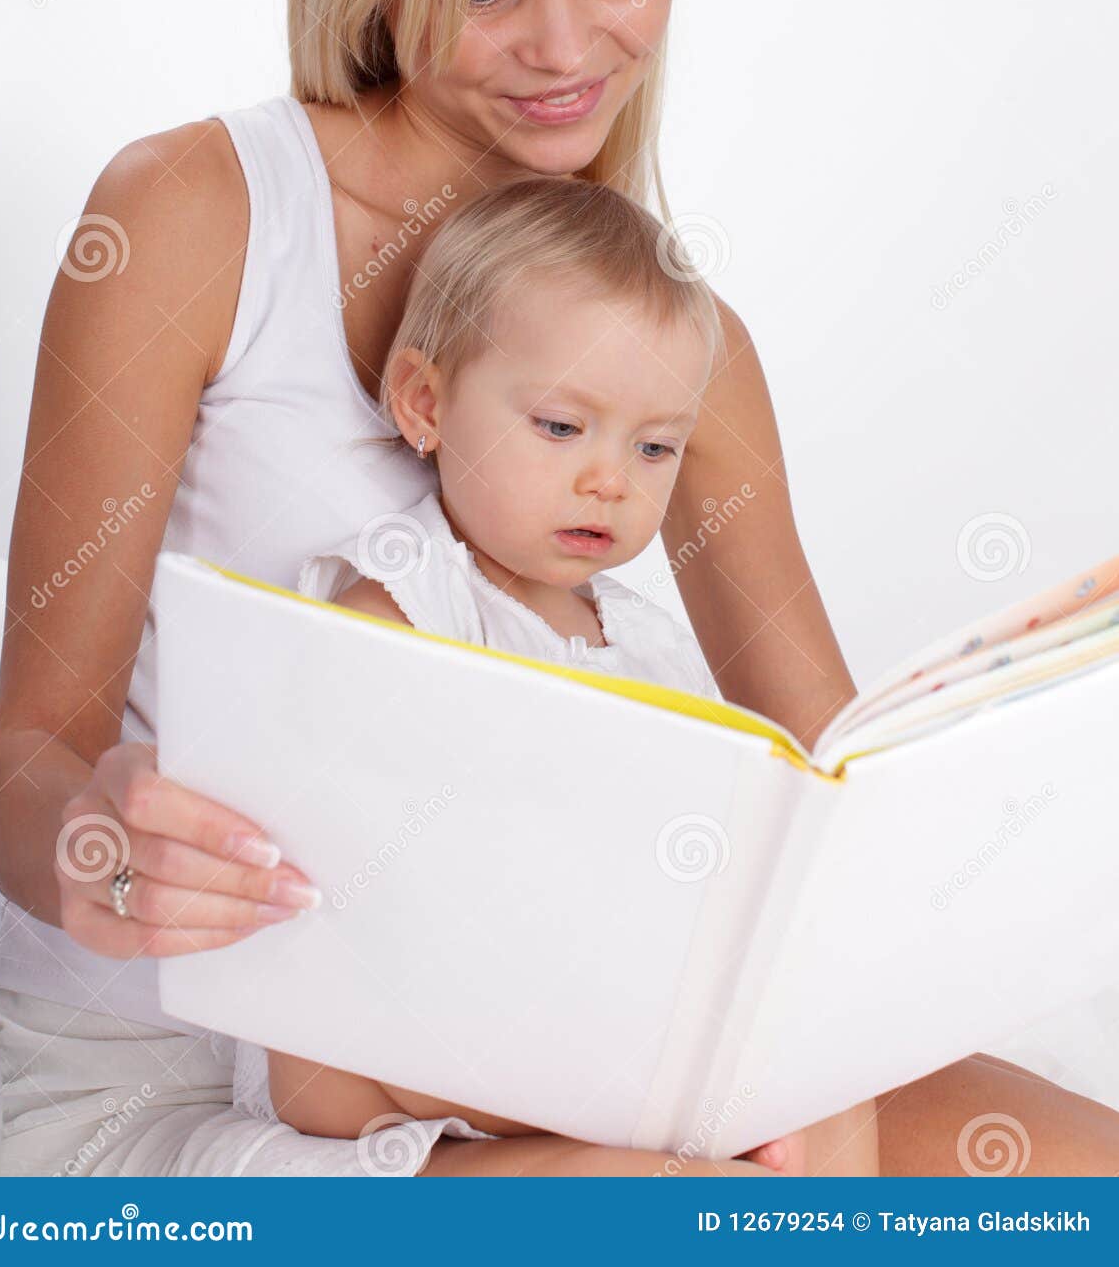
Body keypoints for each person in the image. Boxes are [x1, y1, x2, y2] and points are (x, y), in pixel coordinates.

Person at [0, 0, 1118, 1178]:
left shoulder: (679, 346)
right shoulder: (190, 219)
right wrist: (96, 849)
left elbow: (828, 796)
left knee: (1073, 1168)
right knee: (693, 1212)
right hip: (197, 1075)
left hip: (542, 1040)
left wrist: (999, 781)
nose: (568, 50)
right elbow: (32, 759)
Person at [230, 173, 878, 1176]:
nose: (609, 479)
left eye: (655, 446)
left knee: (823, 1083)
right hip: (368, 1044)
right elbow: (340, 875)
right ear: (424, 403)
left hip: (561, 1009)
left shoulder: (643, 643)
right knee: (686, 1096)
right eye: (562, 427)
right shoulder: (400, 606)